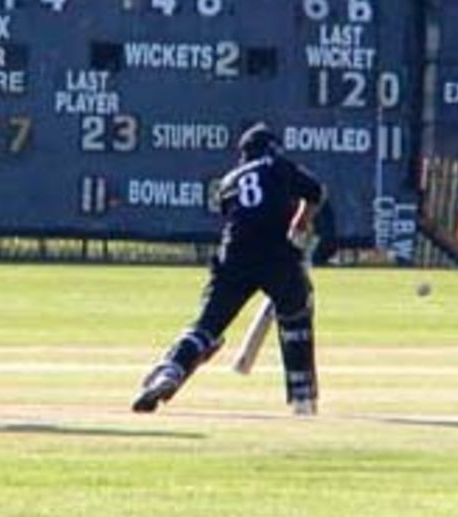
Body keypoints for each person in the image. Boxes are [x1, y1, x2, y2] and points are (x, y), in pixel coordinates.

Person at [131, 122, 326, 416]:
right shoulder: (279, 165)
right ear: (272, 149)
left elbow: (240, 215)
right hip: (276, 251)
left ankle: (170, 370)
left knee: (206, 326)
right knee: (296, 314)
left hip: (233, 255)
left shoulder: (228, 181)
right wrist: (300, 223)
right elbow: (316, 192)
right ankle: (302, 397)